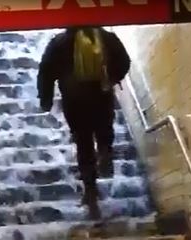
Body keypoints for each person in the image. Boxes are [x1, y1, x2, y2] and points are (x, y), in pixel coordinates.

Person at [37, 26, 131, 220]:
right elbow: (124, 61)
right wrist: (112, 78)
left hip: (74, 100)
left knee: (83, 141)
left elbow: (45, 70)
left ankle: (90, 190)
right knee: (104, 127)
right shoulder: (105, 36)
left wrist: (46, 99)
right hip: (101, 94)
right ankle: (105, 150)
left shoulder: (59, 41)